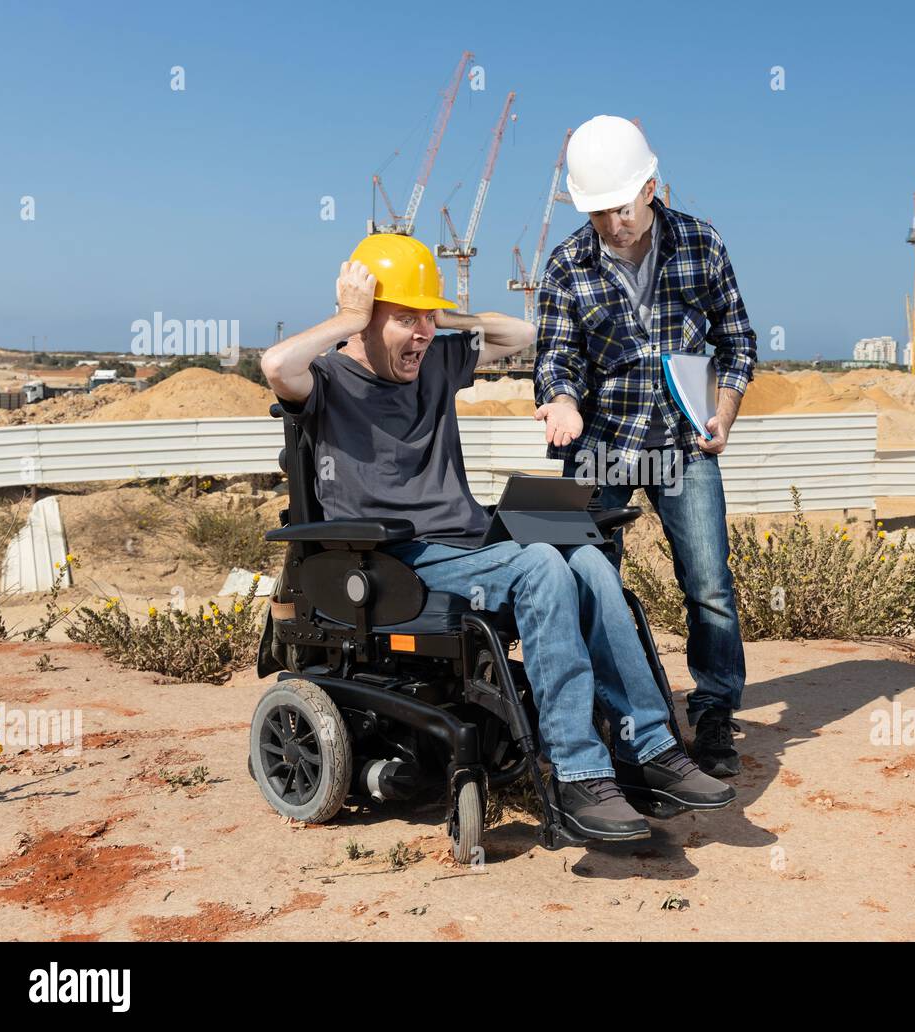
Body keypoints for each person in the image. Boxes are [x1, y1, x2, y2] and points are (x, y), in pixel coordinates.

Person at [260, 233, 734, 842]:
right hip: (392, 558)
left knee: (588, 558)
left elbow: (522, 336)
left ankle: (649, 748)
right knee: (540, 564)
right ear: (365, 320)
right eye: (404, 319)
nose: (422, 334)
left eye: (427, 318)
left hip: (468, 541)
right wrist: (352, 315)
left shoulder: (433, 359)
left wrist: (432, 314)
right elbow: (276, 366)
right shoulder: (326, 380)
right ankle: (577, 774)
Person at [533, 115, 756, 777]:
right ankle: (604, 719)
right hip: (599, 444)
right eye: (597, 211)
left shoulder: (702, 243)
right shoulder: (565, 264)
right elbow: (554, 359)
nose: (612, 223)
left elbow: (739, 343)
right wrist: (564, 401)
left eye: (621, 208)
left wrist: (725, 413)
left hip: (685, 443)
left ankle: (714, 715)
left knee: (710, 587)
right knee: (584, 582)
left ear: (651, 187)